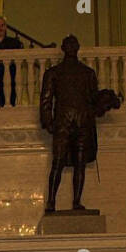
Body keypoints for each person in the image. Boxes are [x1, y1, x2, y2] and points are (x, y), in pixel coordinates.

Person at [39, 34, 98, 210]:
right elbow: (46, 100)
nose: (71, 48)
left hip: (79, 123)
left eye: (74, 45)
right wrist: (48, 121)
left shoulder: (88, 73)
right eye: (69, 45)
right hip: (63, 123)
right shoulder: (54, 73)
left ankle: (75, 201)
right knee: (58, 162)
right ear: (64, 49)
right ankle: (51, 201)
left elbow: (93, 100)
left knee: (79, 163)